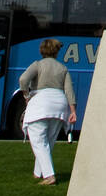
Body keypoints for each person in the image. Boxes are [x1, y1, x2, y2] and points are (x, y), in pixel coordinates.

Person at [19, 39, 77, 185]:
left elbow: (23, 80)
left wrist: (26, 96)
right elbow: (69, 91)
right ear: (56, 52)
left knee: (38, 140)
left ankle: (49, 176)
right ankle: (38, 173)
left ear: (42, 50)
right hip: (59, 104)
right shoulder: (63, 68)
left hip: (41, 102)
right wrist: (73, 111)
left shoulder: (37, 65)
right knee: (48, 142)